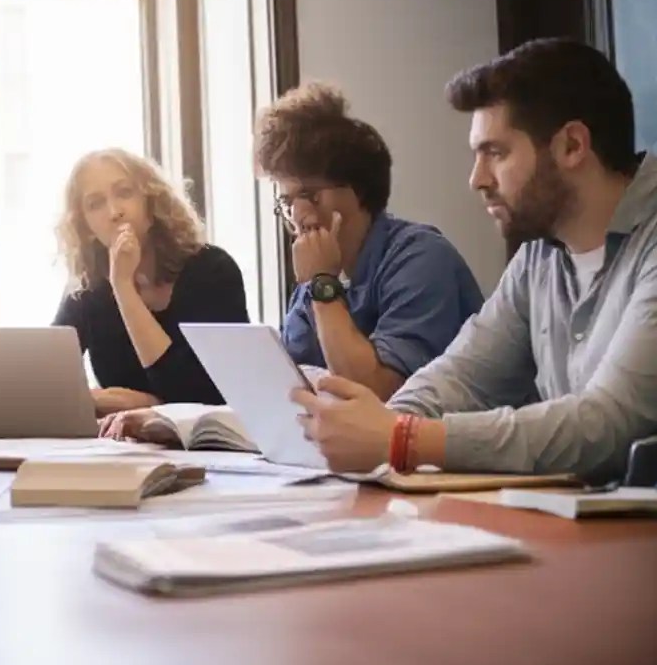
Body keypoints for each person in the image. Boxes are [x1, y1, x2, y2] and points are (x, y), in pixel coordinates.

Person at [294, 38, 657, 480]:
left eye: (495, 153)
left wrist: (403, 438)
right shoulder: (539, 256)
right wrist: (370, 430)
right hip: (575, 513)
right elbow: (460, 378)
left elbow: (608, 425)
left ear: (572, 146)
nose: (477, 179)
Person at [99, 82, 483, 440]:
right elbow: (285, 403)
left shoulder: (420, 260)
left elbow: (377, 398)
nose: (298, 215)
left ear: (358, 190)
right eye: (287, 201)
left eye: (311, 195)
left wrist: (321, 284)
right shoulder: (311, 285)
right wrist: (175, 424)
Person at [52, 148, 249, 415]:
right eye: (95, 204)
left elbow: (202, 395)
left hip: (205, 437)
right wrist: (94, 400)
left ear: (151, 200)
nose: (114, 212)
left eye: (124, 193)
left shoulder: (212, 270)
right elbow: (47, 384)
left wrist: (123, 286)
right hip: (122, 438)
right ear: (86, 226)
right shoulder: (87, 289)